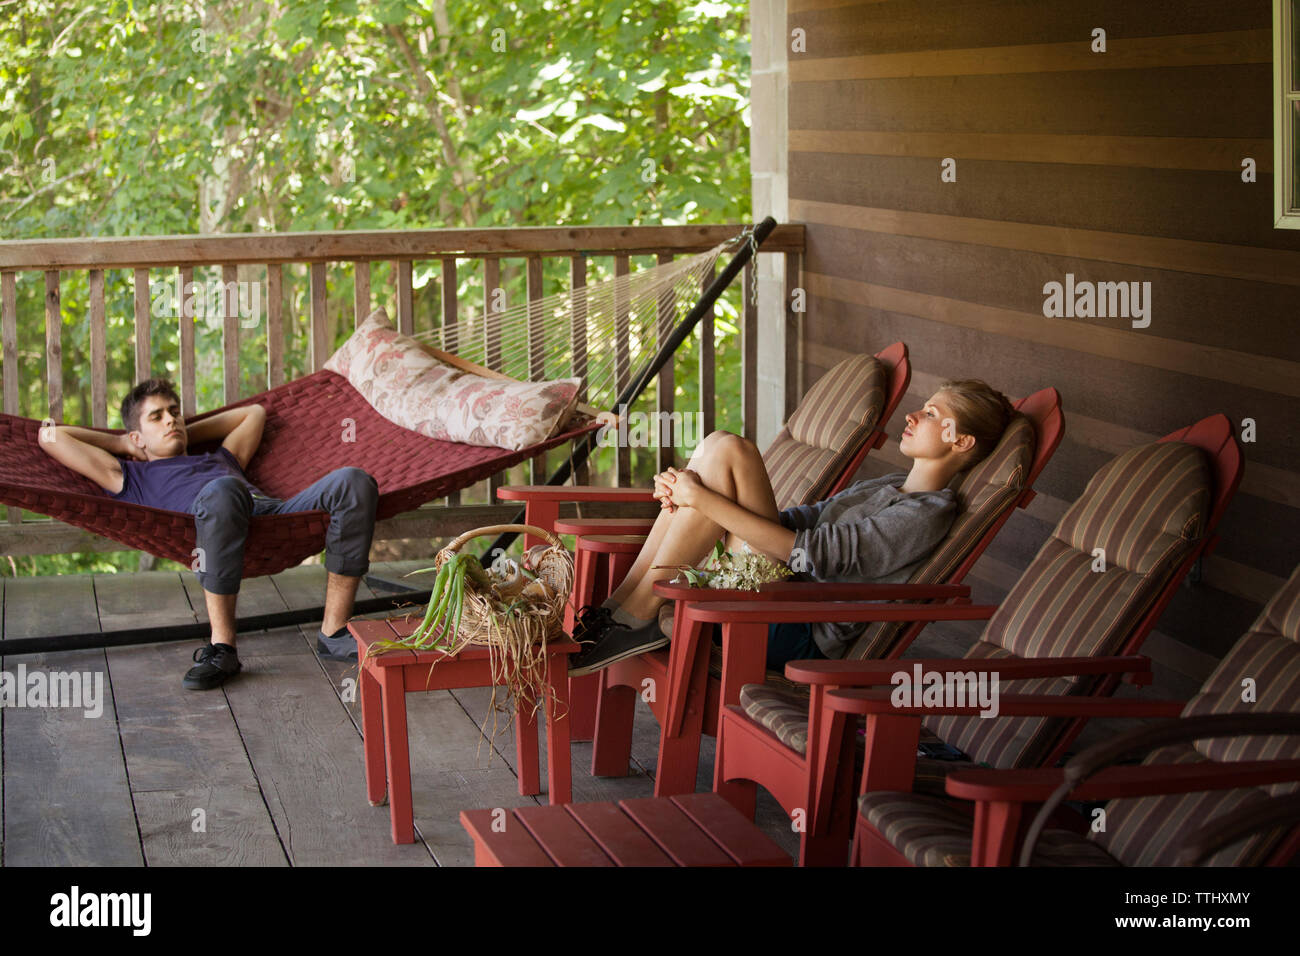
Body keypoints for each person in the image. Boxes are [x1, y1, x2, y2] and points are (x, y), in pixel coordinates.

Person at [567, 379, 1016, 676]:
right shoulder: (886, 485)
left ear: (962, 441)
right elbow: (796, 522)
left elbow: (810, 554)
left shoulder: (926, 514)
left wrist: (703, 500)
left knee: (730, 450)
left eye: (934, 414)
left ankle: (630, 619)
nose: (914, 416)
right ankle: (619, 613)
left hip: (791, 627)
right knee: (719, 452)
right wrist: (698, 499)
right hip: (774, 596)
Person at [37, 379, 378, 690]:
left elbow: (253, 413)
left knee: (354, 481)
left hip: (271, 515)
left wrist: (180, 432)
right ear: (136, 437)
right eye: (156, 417)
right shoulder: (129, 476)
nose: (171, 419)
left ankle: (333, 631)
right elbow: (49, 435)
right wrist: (121, 443)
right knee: (223, 490)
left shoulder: (222, 458)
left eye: (174, 413)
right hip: (211, 521)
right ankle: (223, 647)